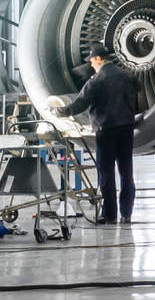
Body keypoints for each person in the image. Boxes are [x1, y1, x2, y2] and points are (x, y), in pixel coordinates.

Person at [48, 44, 140, 225]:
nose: (91, 65)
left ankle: (110, 215)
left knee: (106, 174)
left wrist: (57, 111)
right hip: (126, 129)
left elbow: (78, 105)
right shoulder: (127, 76)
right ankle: (126, 214)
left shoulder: (97, 81)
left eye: (91, 61)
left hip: (106, 131)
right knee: (126, 173)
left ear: (99, 59)